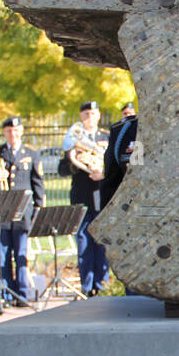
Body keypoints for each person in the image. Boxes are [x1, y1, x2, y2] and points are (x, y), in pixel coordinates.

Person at [0, 115, 43, 306]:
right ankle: (6, 293)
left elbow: (38, 183)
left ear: (21, 131)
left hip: (23, 210)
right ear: (4, 132)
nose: (13, 133)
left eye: (16, 130)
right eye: (9, 130)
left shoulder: (30, 153)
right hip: (2, 210)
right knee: (3, 253)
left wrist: (38, 207)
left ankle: (22, 293)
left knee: (21, 253)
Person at [64, 100, 111, 295]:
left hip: (102, 193)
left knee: (103, 240)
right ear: (80, 116)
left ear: (98, 115)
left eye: (93, 113)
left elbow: (115, 164)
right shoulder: (73, 138)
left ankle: (102, 283)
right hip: (82, 195)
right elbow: (62, 169)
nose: (89, 117)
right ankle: (87, 285)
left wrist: (103, 171)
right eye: (85, 114)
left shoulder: (107, 137)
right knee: (83, 239)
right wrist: (77, 162)